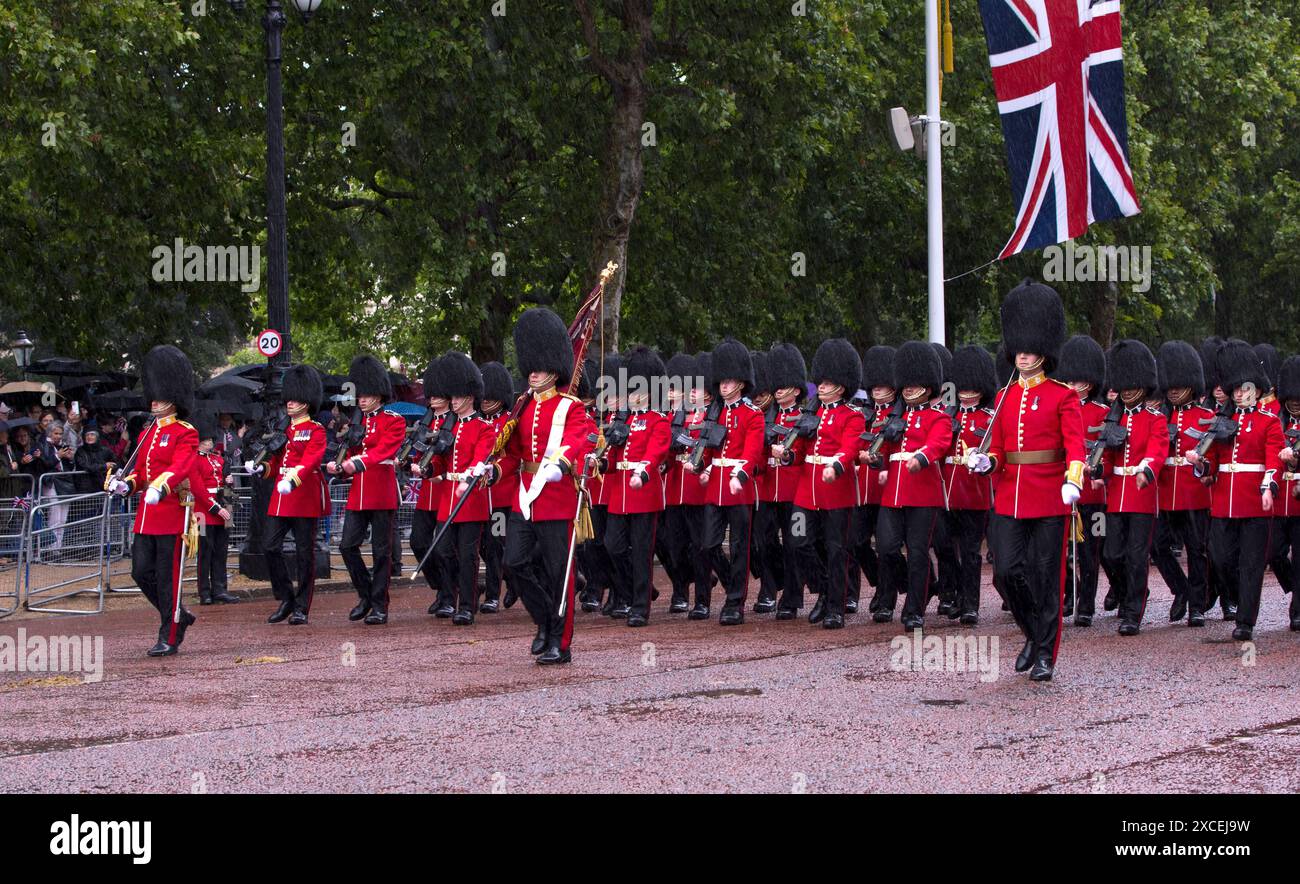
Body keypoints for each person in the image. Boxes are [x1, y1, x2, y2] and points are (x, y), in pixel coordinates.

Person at [966, 280, 1085, 682]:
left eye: (1030, 348)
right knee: (1005, 573)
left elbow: (1076, 447)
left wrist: (1073, 480)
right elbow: (1000, 450)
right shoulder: (1004, 396)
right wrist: (988, 462)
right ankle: (1034, 635)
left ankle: (1046, 654)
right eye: (1019, 347)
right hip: (1010, 496)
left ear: (1044, 352)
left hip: (1051, 496)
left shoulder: (1062, 395)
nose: (1023, 353)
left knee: (1046, 577)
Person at [495, 307, 595, 664]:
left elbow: (576, 440)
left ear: (554, 370)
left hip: (555, 495)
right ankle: (544, 620)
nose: (532, 373)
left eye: (538, 368)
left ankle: (560, 642)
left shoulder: (571, 408)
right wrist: (491, 471)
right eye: (530, 368)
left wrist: (560, 465)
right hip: (525, 496)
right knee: (514, 563)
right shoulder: (522, 406)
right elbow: (512, 452)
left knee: (559, 572)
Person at [105, 345, 200, 657]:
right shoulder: (148, 433)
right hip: (147, 515)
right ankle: (178, 614)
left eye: (160, 397)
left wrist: (162, 485)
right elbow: (141, 473)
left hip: (172, 514)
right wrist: (126, 485)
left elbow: (181, 466)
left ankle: (169, 633)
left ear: (174, 398)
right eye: (154, 397)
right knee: (140, 572)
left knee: (168, 577)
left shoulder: (185, 432)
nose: (154, 401)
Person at [1187, 339, 1284, 642]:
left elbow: (1274, 460)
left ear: (1255, 389)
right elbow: (1211, 464)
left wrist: (1269, 487)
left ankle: (1245, 621)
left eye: (1245, 389)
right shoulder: (1221, 422)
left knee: (1251, 563)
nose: (1240, 395)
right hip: (1224, 502)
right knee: (1220, 557)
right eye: (1236, 391)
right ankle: (1236, 599)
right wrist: (1200, 463)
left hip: (1254, 502)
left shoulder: (1269, 422)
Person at [779, 338, 866, 629]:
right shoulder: (811, 414)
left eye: (827, 383)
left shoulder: (852, 416)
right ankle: (825, 589)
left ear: (841, 386)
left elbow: (850, 447)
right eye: (822, 382)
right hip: (806, 491)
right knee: (797, 540)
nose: (822, 387)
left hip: (835, 492)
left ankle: (835, 608)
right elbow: (801, 451)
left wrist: (836, 465)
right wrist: (788, 454)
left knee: (836, 549)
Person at [867, 342, 952, 632]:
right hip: (893, 494)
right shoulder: (896, 418)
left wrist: (922, 457)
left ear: (928, 388)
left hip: (922, 495)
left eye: (915, 383)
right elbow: (884, 450)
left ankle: (914, 609)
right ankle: (911, 591)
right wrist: (873, 457)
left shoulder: (938, 418)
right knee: (888, 549)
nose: (908, 388)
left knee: (917, 552)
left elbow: (939, 443)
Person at [326, 355, 407, 625]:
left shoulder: (393, 420)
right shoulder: (358, 422)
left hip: (382, 490)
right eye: (360, 394)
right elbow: (349, 450)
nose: (361, 399)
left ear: (379, 394)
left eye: (367, 394)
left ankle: (380, 605)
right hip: (358, 492)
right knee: (347, 546)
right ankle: (366, 595)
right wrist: (337, 464)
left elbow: (384, 450)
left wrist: (356, 462)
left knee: (380, 552)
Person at [689, 338, 764, 626]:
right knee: (707, 545)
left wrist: (741, 474)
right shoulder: (716, 411)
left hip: (738, 487)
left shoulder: (752, 415)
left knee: (739, 548)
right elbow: (708, 446)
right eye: (722, 380)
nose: (723, 385)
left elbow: (753, 449)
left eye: (730, 380)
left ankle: (735, 603)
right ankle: (716, 590)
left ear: (742, 383)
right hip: (716, 486)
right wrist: (699, 464)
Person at [1094, 340, 1166, 637]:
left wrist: (1146, 470)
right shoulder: (1114, 418)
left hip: (1141, 495)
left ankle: (1133, 613)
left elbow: (1158, 449)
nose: (1125, 391)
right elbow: (1108, 456)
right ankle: (1128, 595)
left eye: (1131, 385)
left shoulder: (1155, 420)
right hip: (1116, 496)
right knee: (1111, 554)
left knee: (1137, 556)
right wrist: (1097, 470)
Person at [600, 346, 671, 627]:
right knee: (613, 545)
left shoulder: (658, 420)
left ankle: (640, 606)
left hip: (644, 493)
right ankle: (639, 590)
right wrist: (602, 462)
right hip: (620, 492)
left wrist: (642, 471)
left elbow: (658, 450)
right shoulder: (623, 420)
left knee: (642, 551)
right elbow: (615, 454)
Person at [1151, 341, 1214, 628]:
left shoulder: (1206, 418)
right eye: (1170, 385)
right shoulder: (1159, 418)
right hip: (1165, 493)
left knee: (1196, 550)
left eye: (1180, 384)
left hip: (1193, 493)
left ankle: (1197, 606)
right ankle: (1182, 590)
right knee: (1157, 546)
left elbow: (1211, 456)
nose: (1174, 389)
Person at [430, 351, 496, 625]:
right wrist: (427, 469)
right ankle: (459, 593)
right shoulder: (448, 426)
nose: (452, 401)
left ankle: (466, 606)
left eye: (457, 397)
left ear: (469, 397)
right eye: (452, 396)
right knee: (444, 551)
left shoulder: (483, 427)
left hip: (470, 499)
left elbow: (481, 456)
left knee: (468, 555)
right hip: (448, 497)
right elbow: (439, 461)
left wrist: (468, 476)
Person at [941, 345, 998, 626]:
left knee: (971, 551)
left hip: (973, 491)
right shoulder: (946, 414)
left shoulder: (989, 419)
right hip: (947, 491)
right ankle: (951, 595)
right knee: (944, 547)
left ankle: (970, 604)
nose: (966, 392)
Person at [760, 343, 808, 619]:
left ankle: (792, 597)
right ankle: (778, 584)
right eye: (777, 385)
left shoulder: (803, 419)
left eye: (784, 385)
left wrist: (788, 456)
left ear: (796, 390)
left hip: (794, 491)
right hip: (768, 490)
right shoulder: (767, 417)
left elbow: (802, 453)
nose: (778, 390)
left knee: (794, 543)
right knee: (765, 542)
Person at [660, 352, 708, 614]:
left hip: (693, 486)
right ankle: (680, 591)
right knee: (674, 545)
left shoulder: (704, 417)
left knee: (698, 546)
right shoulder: (670, 417)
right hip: (673, 485)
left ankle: (701, 599)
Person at [407, 357, 455, 617]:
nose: (433, 397)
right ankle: (443, 587)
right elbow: (418, 451)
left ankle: (449, 594)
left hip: (446, 490)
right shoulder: (426, 421)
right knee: (418, 542)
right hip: (427, 493)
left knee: (444, 547)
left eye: (439, 393)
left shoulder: (455, 421)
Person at [477, 360, 517, 614]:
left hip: (503, 494)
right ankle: (512, 585)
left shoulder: (509, 421)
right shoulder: (480, 422)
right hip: (482, 494)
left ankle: (493, 594)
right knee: (484, 546)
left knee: (498, 546)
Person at [193, 419, 238, 605]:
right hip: (202, 512)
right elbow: (199, 489)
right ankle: (204, 591)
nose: (210, 442)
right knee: (204, 552)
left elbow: (224, 486)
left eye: (211, 439)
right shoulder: (192, 460)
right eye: (206, 440)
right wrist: (216, 508)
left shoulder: (219, 460)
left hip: (223, 507)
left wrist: (229, 482)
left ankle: (220, 588)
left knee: (221, 551)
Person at [1272, 355, 1300, 632]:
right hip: (1281, 499)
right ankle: (1294, 588)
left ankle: (1297, 610)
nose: (1295, 401)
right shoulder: (1277, 421)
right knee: (1274, 552)